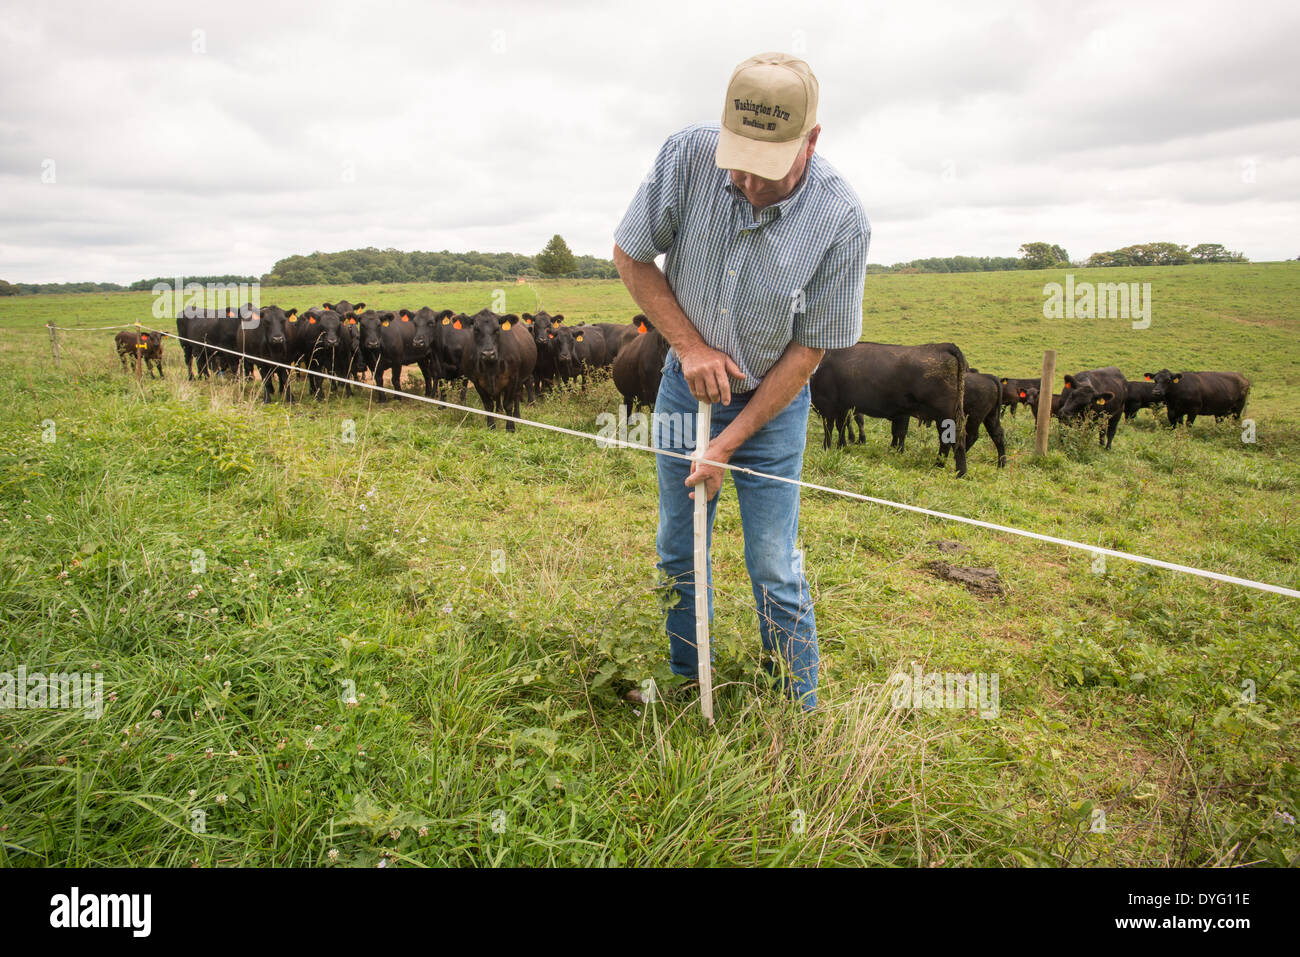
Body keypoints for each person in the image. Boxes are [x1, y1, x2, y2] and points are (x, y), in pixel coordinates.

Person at [613, 52, 870, 710]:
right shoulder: (688, 156)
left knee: (773, 565)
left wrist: (730, 442)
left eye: (768, 166)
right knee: (678, 548)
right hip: (682, 393)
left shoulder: (842, 220)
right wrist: (690, 346)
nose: (748, 181)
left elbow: (812, 347)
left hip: (772, 408)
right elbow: (632, 254)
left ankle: (794, 708)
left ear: (811, 140)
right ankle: (684, 680)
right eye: (738, 159)